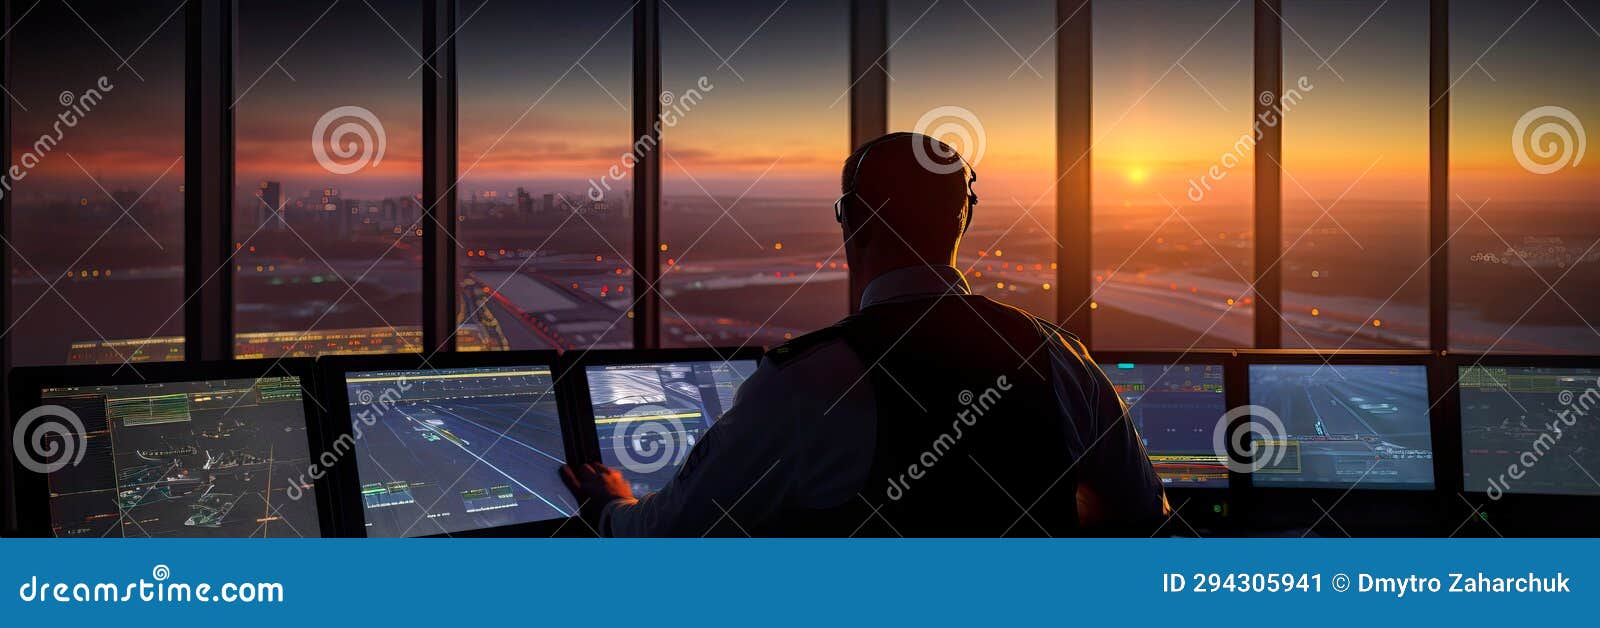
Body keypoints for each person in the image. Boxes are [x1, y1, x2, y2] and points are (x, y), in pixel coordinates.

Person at [561, 132, 1169, 536]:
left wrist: (611, 505)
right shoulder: (1060, 356)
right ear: (965, 218)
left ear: (850, 220)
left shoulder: (806, 381)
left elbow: (673, 536)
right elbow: (1146, 520)